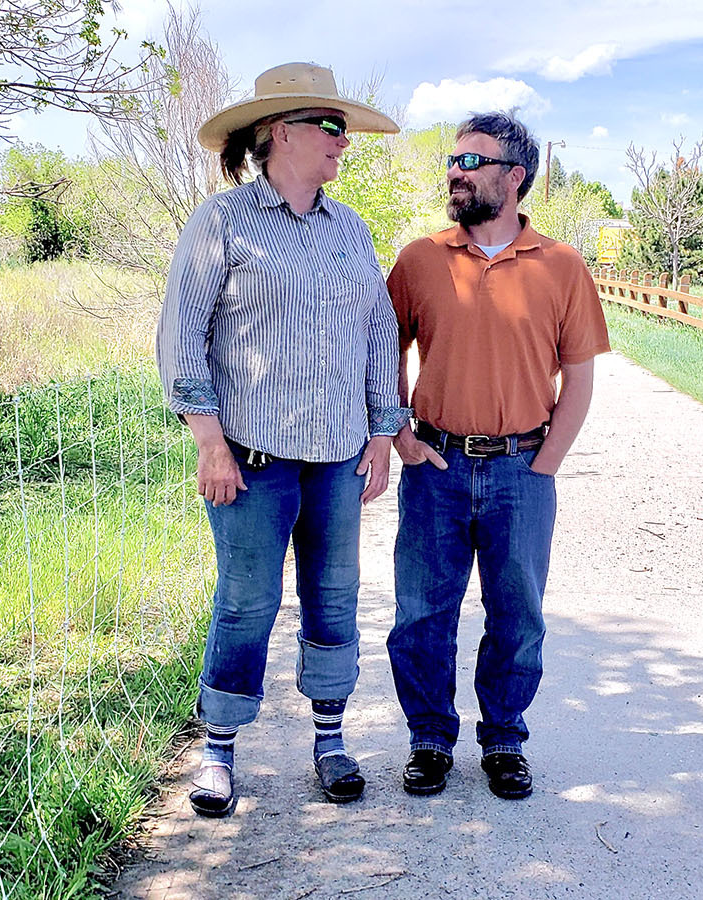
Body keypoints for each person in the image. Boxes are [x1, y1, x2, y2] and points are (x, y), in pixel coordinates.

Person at [156, 62, 407, 818]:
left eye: (344, 130)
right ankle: (219, 752)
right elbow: (181, 336)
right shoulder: (223, 221)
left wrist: (383, 434)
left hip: (337, 460)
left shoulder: (351, 228)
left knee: (334, 598)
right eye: (329, 128)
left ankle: (331, 743)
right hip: (250, 461)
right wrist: (209, 442)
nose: (342, 143)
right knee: (246, 601)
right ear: (279, 134)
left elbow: (377, 332)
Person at [385, 112, 609, 800]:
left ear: (514, 177)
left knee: (517, 614)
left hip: (522, 470)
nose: (454, 170)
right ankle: (429, 738)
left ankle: (505, 739)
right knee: (422, 612)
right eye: (452, 159)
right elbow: (382, 351)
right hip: (437, 469)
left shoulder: (563, 266)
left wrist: (546, 465)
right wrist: (401, 434)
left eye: (471, 161)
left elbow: (579, 375)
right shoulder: (420, 259)